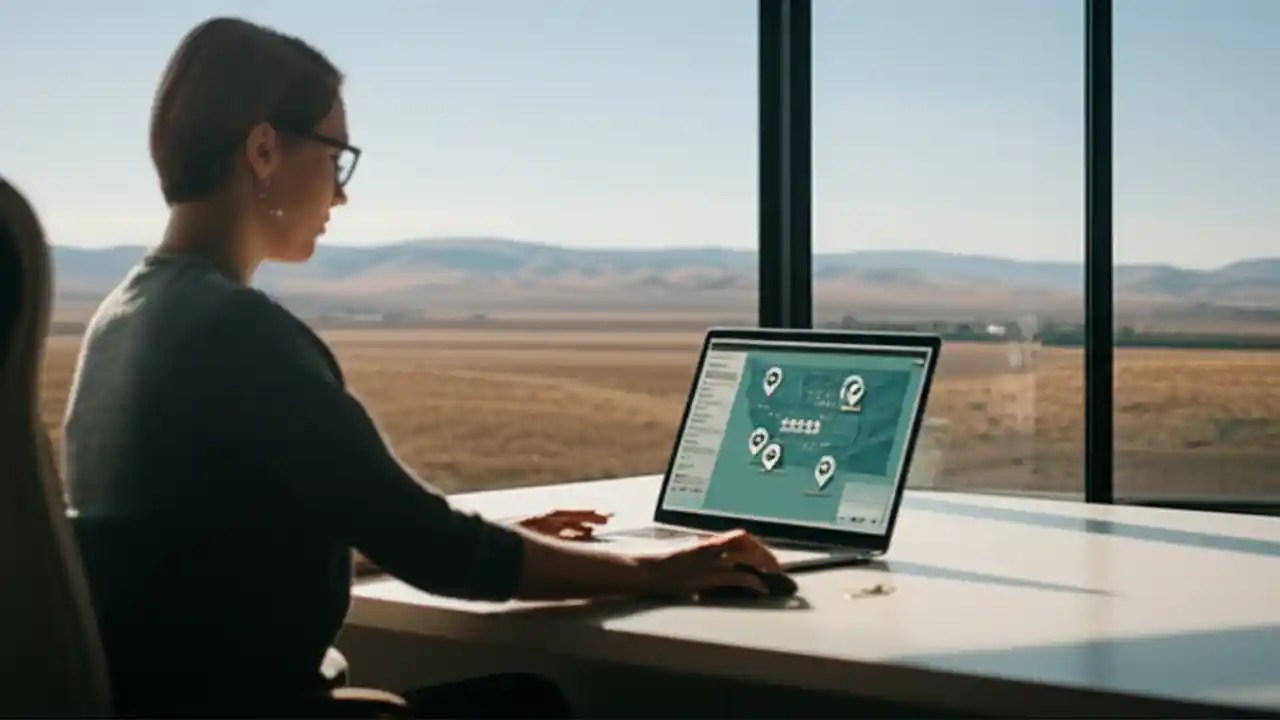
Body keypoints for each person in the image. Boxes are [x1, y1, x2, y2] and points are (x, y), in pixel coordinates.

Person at [61, 16, 782, 718]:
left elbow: (215, 566)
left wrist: (521, 541)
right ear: (262, 151)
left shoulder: (124, 320)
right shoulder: (235, 332)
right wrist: (659, 569)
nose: (341, 192)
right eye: (335, 156)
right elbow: (435, 549)